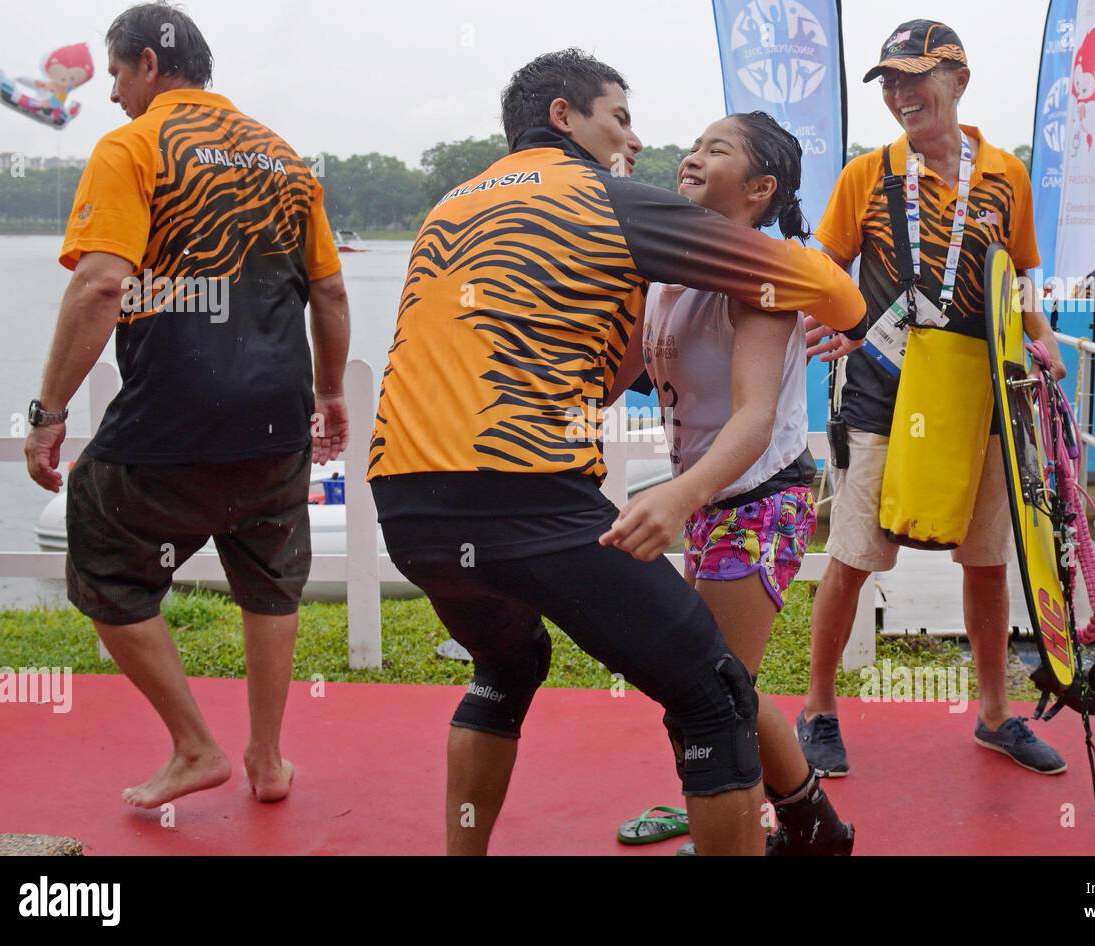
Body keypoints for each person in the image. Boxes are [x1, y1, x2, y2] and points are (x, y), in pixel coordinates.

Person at [369, 49, 865, 856]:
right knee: (712, 692)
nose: (637, 142)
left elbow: (591, 374)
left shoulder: (451, 205)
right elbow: (832, 292)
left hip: (407, 504)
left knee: (505, 668)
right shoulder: (611, 203)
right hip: (527, 495)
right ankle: (809, 822)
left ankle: (807, 820)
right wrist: (841, 308)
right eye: (621, 119)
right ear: (566, 117)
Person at [23, 2, 349, 808]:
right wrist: (333, 390)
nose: (111, 96)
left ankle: (195, 745)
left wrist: (50, 409)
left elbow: (101, 283)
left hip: (175, 412)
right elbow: (332, 291)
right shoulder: (284, 158)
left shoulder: (134, 146)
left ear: (148, 63)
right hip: (277, 414)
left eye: (115, 76)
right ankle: (267, 762)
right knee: (270, 578)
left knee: (101, 550)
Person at [800, 20, 1068, 777]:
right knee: (853, 558)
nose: (899, 92)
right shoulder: (869, 174)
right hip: (881, 396)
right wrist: (840, 321)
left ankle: (994, 716)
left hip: (980, 401)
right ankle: (819, 710)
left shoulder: (1007, 175)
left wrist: (1047, 344)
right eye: (888, 79)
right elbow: (825, 272)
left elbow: (1016, 282)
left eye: (914, 76)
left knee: (986, 562)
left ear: (959, 79)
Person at [606, 112, 861, 855]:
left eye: (715, 151)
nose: (691, 157)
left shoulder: (764, 273)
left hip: (762, 498)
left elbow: (753, 419)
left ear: (759, 188)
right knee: (723, 685)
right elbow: (616, 379)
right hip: (712, 500)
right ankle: (815, 825)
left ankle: (741, 828)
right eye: (692, 146)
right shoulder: (670, 272)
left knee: (707, 695)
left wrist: (677, 497)